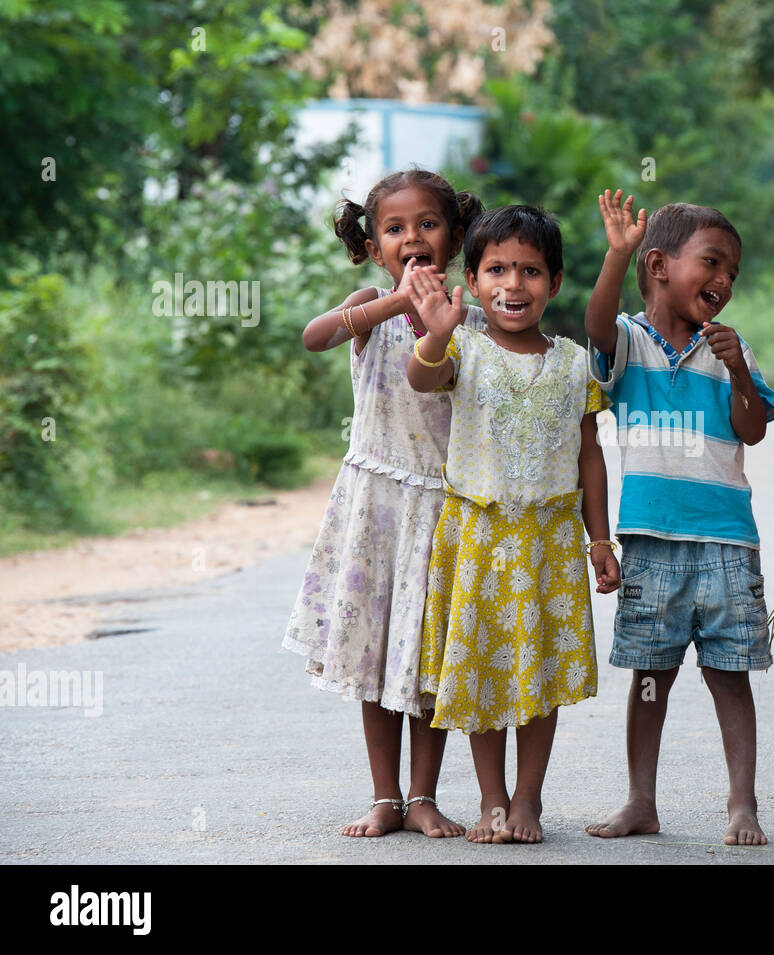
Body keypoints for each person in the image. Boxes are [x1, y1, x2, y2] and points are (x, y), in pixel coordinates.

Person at [406, 205, 620, 844]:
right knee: (478, 672)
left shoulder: (573, 362)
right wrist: (437, 333)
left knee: (539, 675)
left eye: (530, 271)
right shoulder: (462, 348)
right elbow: (423, 377)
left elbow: (590, 455)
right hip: (477, 537)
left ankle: (528, 799)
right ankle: (492, 799)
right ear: (471, 282)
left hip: (551, 541)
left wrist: (599, 537)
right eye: (496, 269)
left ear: (554, 283)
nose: (513, 284)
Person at [283, 168, 485, 839]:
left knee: (427, 662)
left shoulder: (470, 317)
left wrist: (437, 322)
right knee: (374, 659)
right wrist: (395, 304)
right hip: (373, 509)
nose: (411, 237)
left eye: (427, 224)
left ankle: (424, 795)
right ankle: (384, 796)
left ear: (454, 237)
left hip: (439, 508)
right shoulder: (370, 304)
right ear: (376, 248)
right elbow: (317, 335)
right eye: (394, 228)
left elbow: (453, 385)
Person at [583, 191, 774, 846]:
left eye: (733, 274)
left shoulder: (732, 349)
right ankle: (640, 799)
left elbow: (750, 429)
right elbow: (597, 324)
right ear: (660, 264)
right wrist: (617, 254)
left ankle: (741, 805)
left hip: (727, 540)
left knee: (730, 676)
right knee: (650, 677)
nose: (724, 282)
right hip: (651, 541)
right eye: (713, 263)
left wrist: (738, 372)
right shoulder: (631, 346)